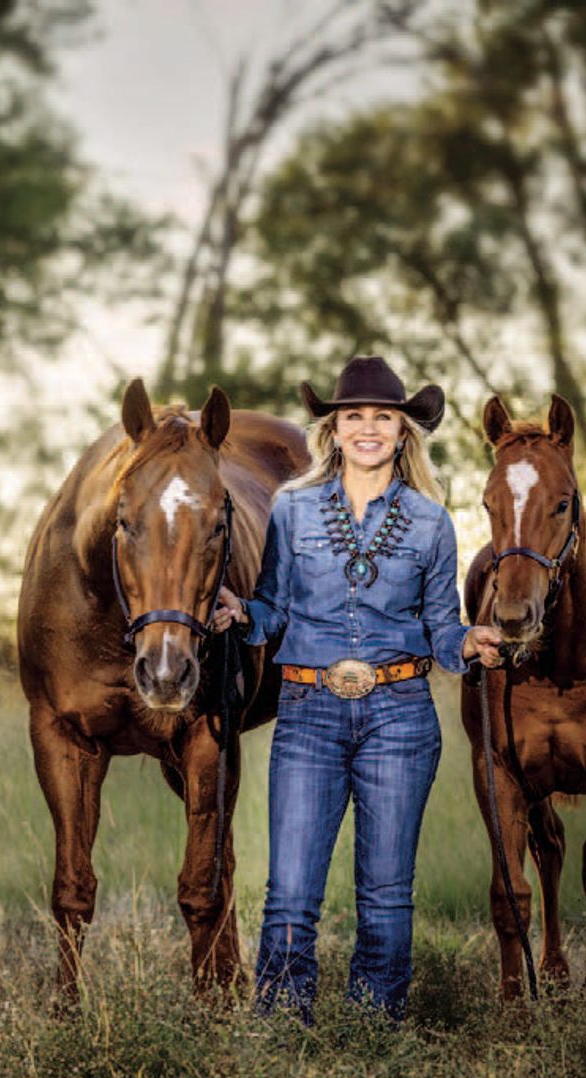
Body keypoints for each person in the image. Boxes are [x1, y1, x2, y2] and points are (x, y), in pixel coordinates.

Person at [211, 356, 503, 1024]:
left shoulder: (431, 522)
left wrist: (469, 642)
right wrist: (240, 614)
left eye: (382, 416)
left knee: (387, 891)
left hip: (400, 716)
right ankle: (285, 1018)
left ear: (404, 431)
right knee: (289, 887)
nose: (368, 428)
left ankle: (377, 1021)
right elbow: (274, 608)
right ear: (333, 430)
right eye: (354, 416)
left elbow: (438, 628)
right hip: (308, 713)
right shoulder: (291, 508)